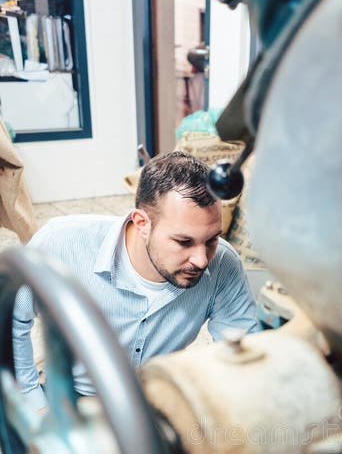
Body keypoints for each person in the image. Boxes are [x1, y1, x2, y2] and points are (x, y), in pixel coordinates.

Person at [12, 150, 259, 409]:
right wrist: (34, 405)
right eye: (184, 241)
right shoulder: (62, 244)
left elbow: (246, 355)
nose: (201, 259)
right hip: (73, 398)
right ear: (141, 223)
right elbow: (10, 320)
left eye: (211, 240)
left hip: (154, 400)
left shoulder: (223, 263)